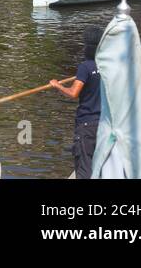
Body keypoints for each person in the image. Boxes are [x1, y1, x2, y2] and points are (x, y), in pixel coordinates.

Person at [50, 26, 103, 179]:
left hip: (87, 125)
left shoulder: (85, 67)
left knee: (84, 169)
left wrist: (57, 85)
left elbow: (73, 93)